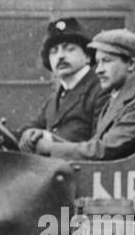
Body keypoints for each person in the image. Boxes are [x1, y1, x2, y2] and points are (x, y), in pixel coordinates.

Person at [25, 29, 135, 161]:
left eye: (106, 61)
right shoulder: (118, 96)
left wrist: (50, 147)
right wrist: (51, 139)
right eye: (98, 62)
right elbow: (94, 144)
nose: (98, 70)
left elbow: (104, 150)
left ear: (131, 64)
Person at [17, 17, 110, 152]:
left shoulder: (101, 90)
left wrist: (50, 140)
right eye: (54, 51)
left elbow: (98, 148)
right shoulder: (53, 100)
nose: (60, 56)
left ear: (88, 56)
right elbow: (31, 129)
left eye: (69, 49)